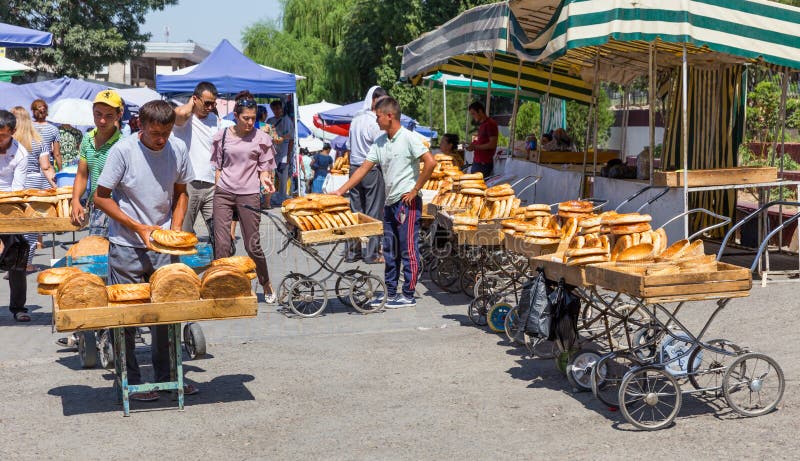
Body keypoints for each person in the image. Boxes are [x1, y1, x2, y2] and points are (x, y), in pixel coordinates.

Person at [94, 100, 197, 401]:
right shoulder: (123, 151)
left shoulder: (177, 148)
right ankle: (129, 380)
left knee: (167, 313)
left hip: (163, 245)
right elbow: (101, 197)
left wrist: (174, 228)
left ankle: (169, 378)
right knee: (126, 316)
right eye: (155, 133)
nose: (161, 139)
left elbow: (181, 192)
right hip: (127, 245)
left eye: (166, 133)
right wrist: (138, 227)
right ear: (141, 125)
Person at [333, 97, 436, 308]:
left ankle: (408, 294)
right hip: (389, 203)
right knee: (390, 249)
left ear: (390, 116)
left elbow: (430, 162)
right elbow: (363, 168)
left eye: (378, 116)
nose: (376, 121)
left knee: (408, 249)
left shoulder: (409, 138)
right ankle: (391, 291)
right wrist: (340, 191)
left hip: (407, 203)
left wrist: (415, 189)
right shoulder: (380, 141)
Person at [211, 91, 277, 302]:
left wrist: (266, 181)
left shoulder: (262, 138)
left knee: (252, 245)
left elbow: (264, 170)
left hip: (249, 194)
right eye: (245, 118)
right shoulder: (222, 136)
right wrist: (218, 187)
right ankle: (223, 286)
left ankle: (265, 282)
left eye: (253, 118)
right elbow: (219, 167)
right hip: (224, 193)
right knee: (221, 244)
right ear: (235, 116)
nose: (250, 122)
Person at [69, 90, 124, 237]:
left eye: (109, 116)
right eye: (98, 114)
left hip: (119, 210)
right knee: (96, 248)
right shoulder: (87, 139)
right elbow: (82, 175)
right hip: (97, 209)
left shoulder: (124, 144)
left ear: (119, 115)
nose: (102, 121)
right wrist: (75, 200)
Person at [172, 81, 221, 246]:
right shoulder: (186, 117)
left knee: (220, 235)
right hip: (188, 184)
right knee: (183, 236)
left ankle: (218, 262)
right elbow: (179, 114)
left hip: (211, 184)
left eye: (214, 104)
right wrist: (191, 104)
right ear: (195, 99)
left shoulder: (214, 119)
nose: (210, 107)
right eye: (207, 103)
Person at [346, 85, 387, 264]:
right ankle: (372, 254)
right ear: (374, 100)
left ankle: (352, 252)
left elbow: (348, 146)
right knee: (373, 212)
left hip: (354, 168)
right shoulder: (374, 121)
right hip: (370, 169)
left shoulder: (355, 119)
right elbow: (382, 148)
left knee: (355, 212)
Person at [12, 107, 56, 271]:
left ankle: (12, 262)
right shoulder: (38, 141)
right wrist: (56, 186)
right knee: (31, 225)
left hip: (13, 185)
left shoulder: (9, 142)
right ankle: (27, 263)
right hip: (34, 185)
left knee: (13, 223)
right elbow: (45, 167)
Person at [0, 110, 30, 322]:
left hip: (11, 206)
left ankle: (18, 307)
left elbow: (18, 189)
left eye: (3, 136)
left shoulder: (21, 154)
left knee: (17, 259)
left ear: (12, 132)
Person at [266, 100, 294, 207]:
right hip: (272, 152)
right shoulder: (270, 121)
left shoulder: (287, 120)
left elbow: (291, 139)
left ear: (282, 108)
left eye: (278, 108)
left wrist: (289, 155)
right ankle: (269, 198)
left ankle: (282, 198)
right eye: (274, 109)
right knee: (270, 176)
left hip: (284, 153)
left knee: (283, 177)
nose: (276, 111)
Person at [465, 101, 498, 177]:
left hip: (483, 164)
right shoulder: (483, 124)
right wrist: (471, 144)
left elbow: (492, 144)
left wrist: (475, 147)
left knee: (476, 184)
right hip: (478, 162)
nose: (473, 116)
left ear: (480, 111)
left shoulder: (490, 123)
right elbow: (482, 141)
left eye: (473, 113)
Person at [30, 99, 62, 171]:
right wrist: (61, 170)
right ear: (46, 111)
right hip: (48, 168)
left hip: (29, 168)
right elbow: (57, 154)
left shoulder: (27, 127)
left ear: (33, 111)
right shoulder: (53, 129)